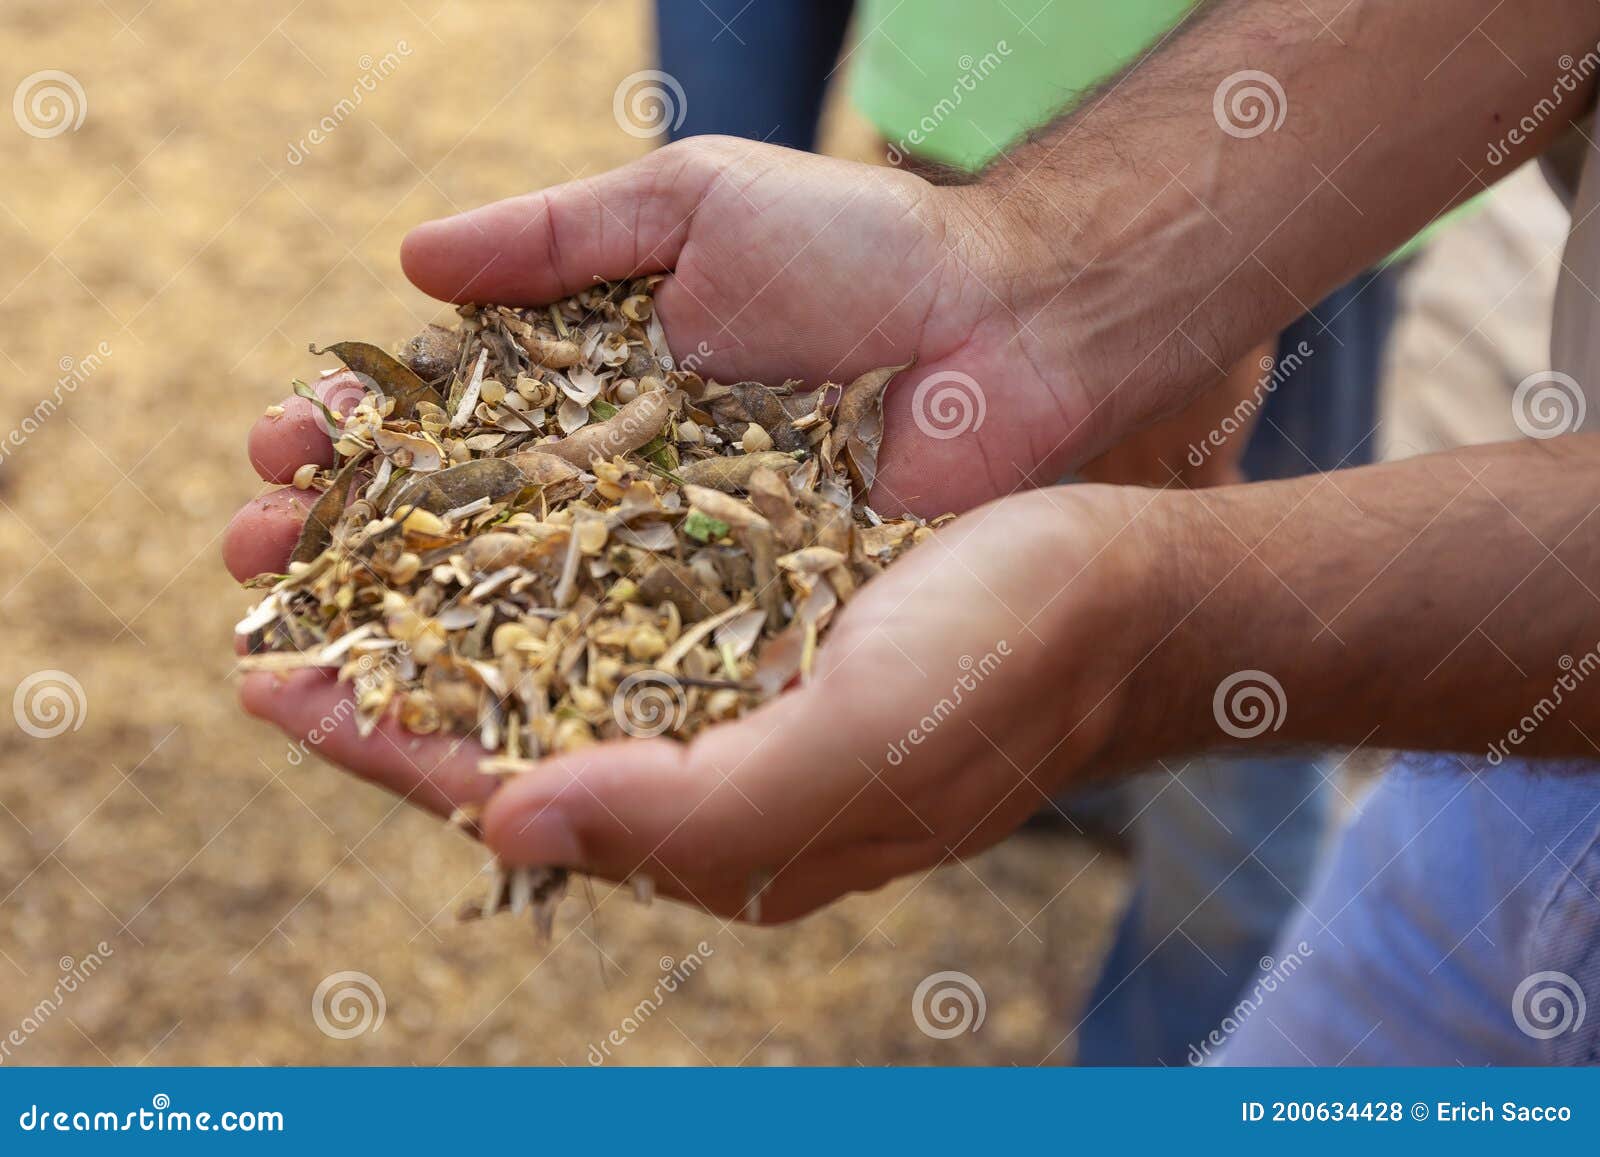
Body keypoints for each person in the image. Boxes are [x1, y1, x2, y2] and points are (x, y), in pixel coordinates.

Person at [227, 0, 1600, 1064]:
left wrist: (1150, 632)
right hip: (1507, 827)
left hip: (1532, 740)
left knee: (1230, 840)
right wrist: (1041, 264)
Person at [657, 0, 1399, 1064]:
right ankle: (1068, 783)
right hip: (969, 94)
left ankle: (1183, 1064)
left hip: (1307, 151)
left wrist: (1216, 240)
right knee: (1006, 556)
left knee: (1235, 665)